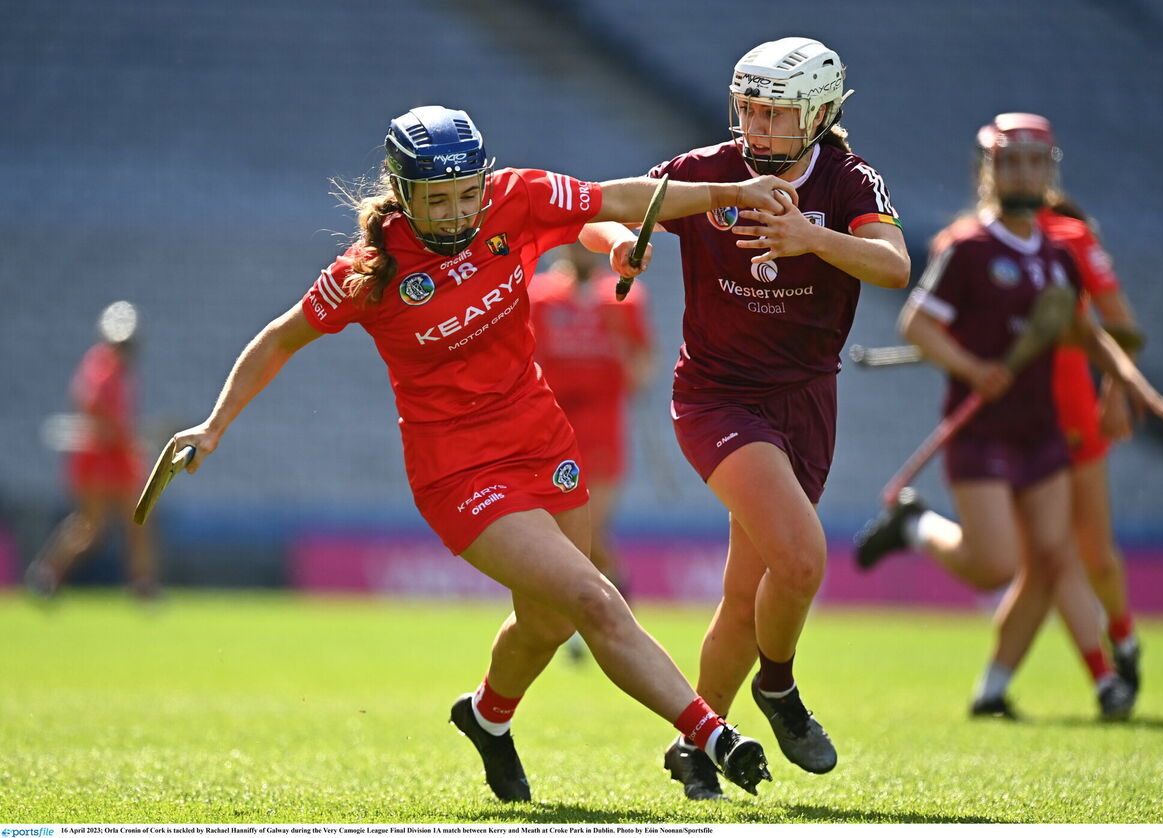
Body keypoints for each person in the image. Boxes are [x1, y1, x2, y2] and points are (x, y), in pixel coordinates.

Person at [168, 105, 800, 801]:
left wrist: (718, 200)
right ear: (403, 195)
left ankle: (487, 717)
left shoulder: (513, 199)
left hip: (540, 437)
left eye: (467, 193)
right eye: (437, 201)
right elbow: (281, 338)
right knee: (594, 596)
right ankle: (712, 736)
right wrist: (215, 423)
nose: (458, 213)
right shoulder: (371, 271)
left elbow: (611, 199)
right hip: (457, 470)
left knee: (549, 619)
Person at [621, 37, 911, 800]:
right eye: (748, 108)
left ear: (819, 115)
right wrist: (623, 243)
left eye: (775, 114)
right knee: (803, 560)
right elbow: (610, 209)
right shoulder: (707, 170)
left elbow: (894, 266)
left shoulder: (849, 179)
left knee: (744, 604)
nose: (756, 127)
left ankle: (696, 743)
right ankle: (777, 691)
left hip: (809, 401)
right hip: (716, 398)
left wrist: (812, 238)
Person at [854, 113, 1163, 721]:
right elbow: (917, 325)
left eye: (1034, 163)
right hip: (981, 429)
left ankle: (1072, 684)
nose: (1022, 173)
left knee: (1054, 558)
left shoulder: (1059, 253)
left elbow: (1086, 332)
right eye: (1009, 164)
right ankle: (918, 526)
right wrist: (974, 369)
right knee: (995, 567)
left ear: (1049, 170)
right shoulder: (969, 248)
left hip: (1042, 430)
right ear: (988, 173)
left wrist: (1134, 383)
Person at [529, 242, 655, 601]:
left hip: (603, 429)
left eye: (585, 248)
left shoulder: (623, 298)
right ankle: (588, 607)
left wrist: (625, 361)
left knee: (589, 529)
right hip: (552, 431)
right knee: (562, 531)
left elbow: (643, 367)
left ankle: (615, 599)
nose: (579, 254)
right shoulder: (539, 297)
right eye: (572, 247)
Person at [25, 301, 157, 599]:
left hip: (119, 456)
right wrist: (120, 434)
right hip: (99, 458)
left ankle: (142, 583)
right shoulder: (101, 368)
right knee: (91, 527)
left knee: (138, 520)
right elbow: (93, 410)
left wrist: (125, 436)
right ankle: (47, 572)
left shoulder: (124, 373)